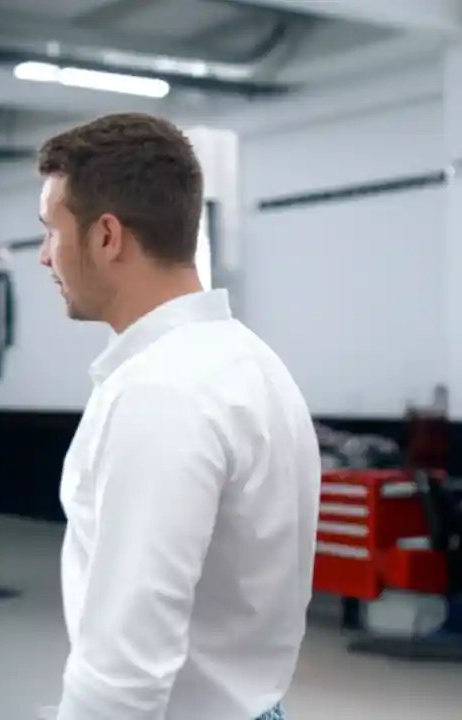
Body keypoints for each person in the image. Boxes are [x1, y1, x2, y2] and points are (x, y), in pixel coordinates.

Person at [35, 113, 320, 720]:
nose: (43, 257)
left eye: (51, 232)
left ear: (106, 236)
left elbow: (126, 666)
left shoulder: (162, 393)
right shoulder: (249, 361)